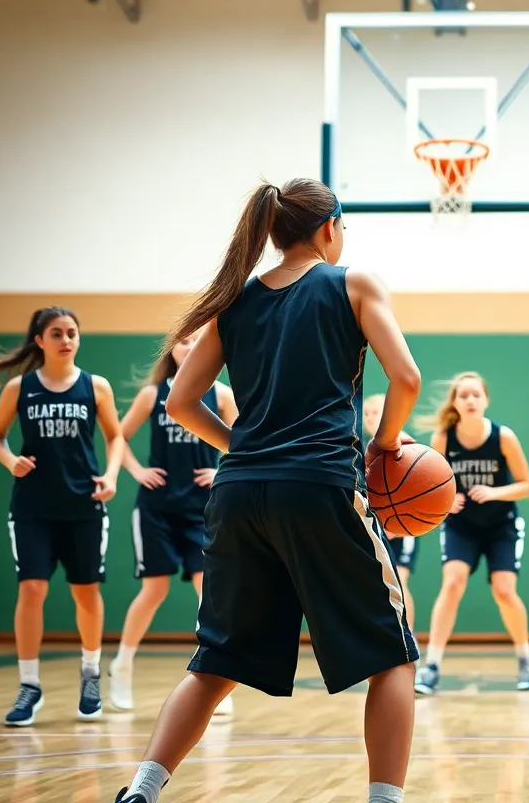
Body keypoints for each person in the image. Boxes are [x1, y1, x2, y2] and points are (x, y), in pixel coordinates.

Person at [113, 178, 421, 803]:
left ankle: (139, 793)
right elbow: (406, 378)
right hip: (320, 486)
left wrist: (246, 450)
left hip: (237, 495)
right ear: (330, 226)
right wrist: (386, 443)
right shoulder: (353, 283)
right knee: (394, 656)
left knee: (215, 663)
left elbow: (179, 400)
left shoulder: (235, 302)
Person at [0, 306, 125, 727]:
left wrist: (112, 475)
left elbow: (115, 437)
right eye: (57, 333)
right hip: (32, 508)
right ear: (39, 341)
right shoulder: (19, 388)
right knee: (32, 590)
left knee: (86, 594)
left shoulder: (95, 386)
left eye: (72, 333)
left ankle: (90, 673)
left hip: (84, 506)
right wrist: (10, 460)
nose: (66, 340)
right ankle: (30, 685)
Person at [107, 328, 239, 715]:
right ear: (173, 350)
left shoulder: (223, 394)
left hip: (203, 507)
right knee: (154, 590)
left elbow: (246, 437)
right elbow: (119, 437)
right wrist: (135, 471)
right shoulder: (154, 393)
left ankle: (214, 677)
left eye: (199, 341)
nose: (192, 347)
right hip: (157, 508)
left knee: (207, 590)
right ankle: (123, 663)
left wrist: (222, 471)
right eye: (184, 342)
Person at [414, 372, 529, 696]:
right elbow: (429, 483)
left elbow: (526, 485)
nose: (470, 400)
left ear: (485, 400)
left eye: (475, 395)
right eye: (463, 395)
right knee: (453, 582)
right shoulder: (444, 438)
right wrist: (445, 499)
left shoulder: (503, 437)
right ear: (455, 402)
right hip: (461, 525)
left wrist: (495, 493)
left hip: (502, 525)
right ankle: (432, 666)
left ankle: (526, 658)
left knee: (504, 591)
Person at [362, 393, 417, 633]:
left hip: (401, 523)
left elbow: (418, 485)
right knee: (372, 586)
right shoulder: (362, 447)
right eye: (366, 413)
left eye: (376, 411)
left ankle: (409, 639)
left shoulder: (403, 442)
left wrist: (395, 523)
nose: (371, 417)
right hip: (374, 524)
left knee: (400, 583)